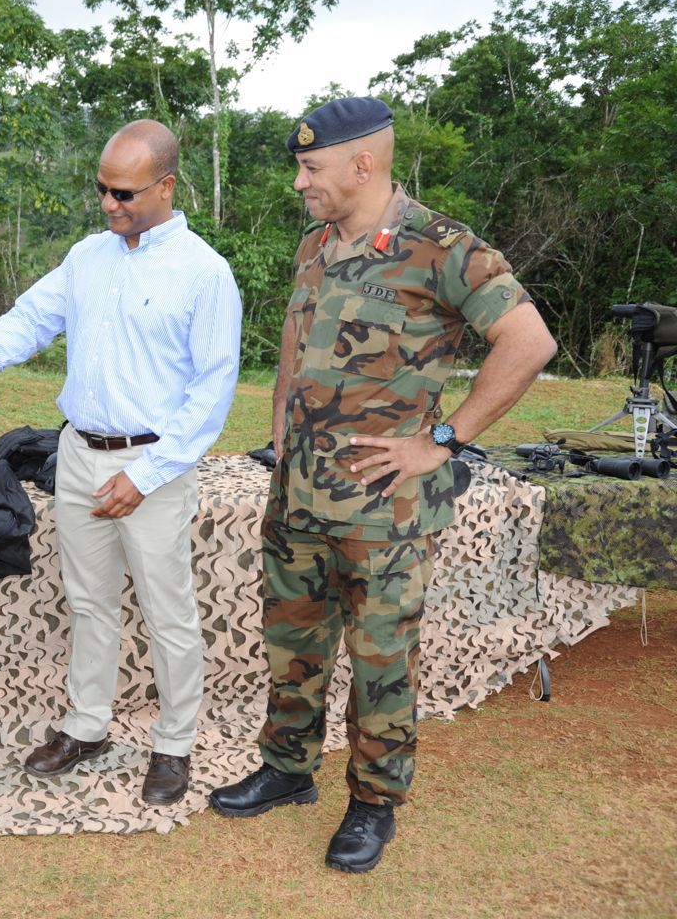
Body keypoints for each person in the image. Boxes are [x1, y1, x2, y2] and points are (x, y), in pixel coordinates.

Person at [208, 96, 557, 872]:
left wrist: (443, 440)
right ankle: (286, 769)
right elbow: (294, 350)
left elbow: (529, 341)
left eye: (311, 168)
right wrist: (278, 440)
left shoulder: (442, 248)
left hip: (383, 512)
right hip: (299, 494)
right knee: (291, 643)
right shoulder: (315, 244)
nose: (300, 182)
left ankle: (373, 802)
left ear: (362, 164)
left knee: (379, 659)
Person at [0, 119, 242, 805]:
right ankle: (87, 726)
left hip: (155, 463)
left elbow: (212, 394)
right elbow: (34, 316)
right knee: (90, 604)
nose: (109, 205)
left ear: (167, 186)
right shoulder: (87, 256)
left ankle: (174, 743)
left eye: (123, 193)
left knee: (168, 612)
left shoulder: (204, 273)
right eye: (101, 190)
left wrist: (146, 476)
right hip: (79, 454)